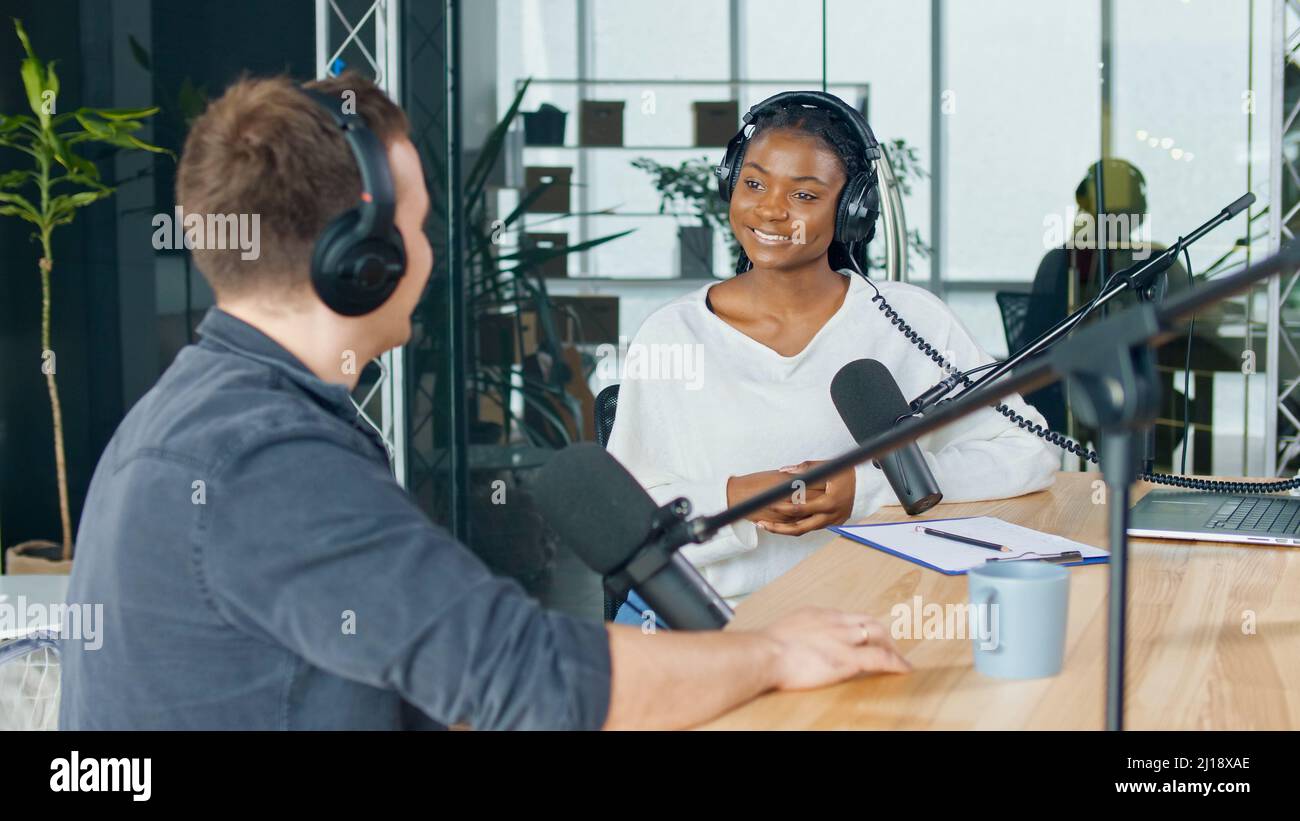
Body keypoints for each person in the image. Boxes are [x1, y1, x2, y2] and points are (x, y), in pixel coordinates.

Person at [57, 75, 910, 731]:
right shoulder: (263, 459)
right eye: (419, 228)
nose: (428, 255)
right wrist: (773, 653)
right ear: (363, 259)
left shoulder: (210, 413)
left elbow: (426, 669)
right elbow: (519, 672)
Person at [606, 95, 1060, 622]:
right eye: (753, 184)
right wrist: (733, 499)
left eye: (803, 193)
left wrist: (867, 489)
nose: (771, 209)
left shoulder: (911, 321)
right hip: (713, 624)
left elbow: (1029, 454)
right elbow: (621, 519)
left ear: (853, 210)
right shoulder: (671, 336)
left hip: (872, 617)